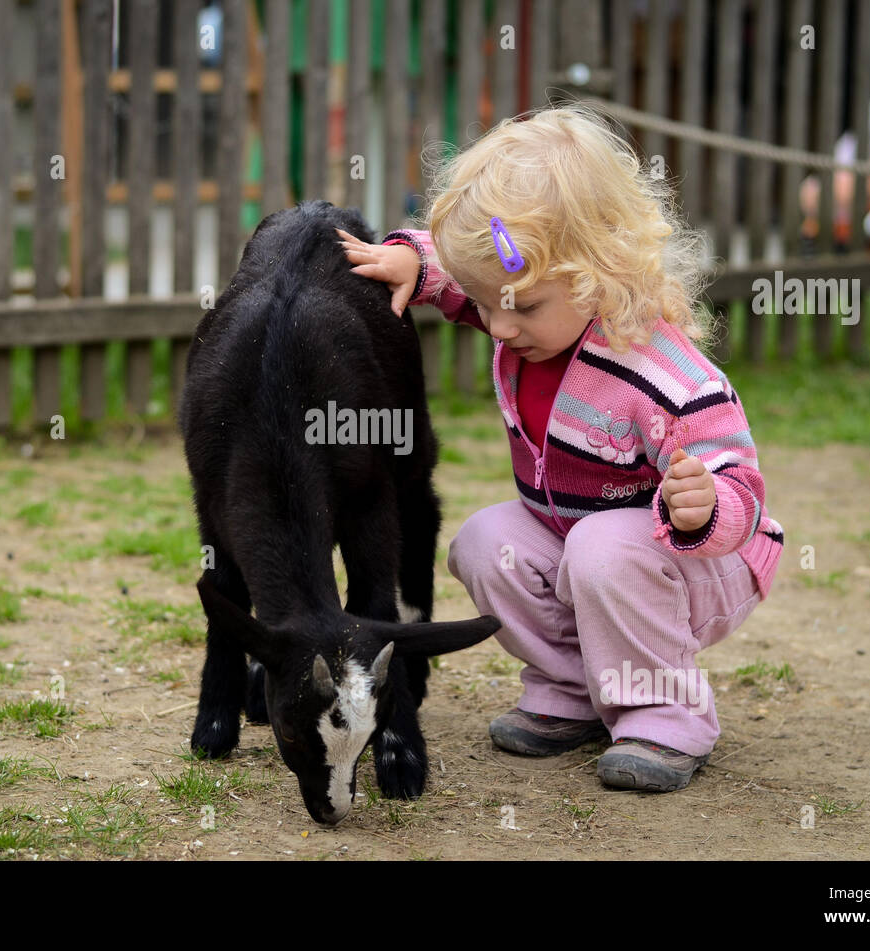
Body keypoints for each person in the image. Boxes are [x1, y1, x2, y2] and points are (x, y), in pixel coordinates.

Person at [335, 103, 784, 792]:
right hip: (578, 544)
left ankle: (666, 713)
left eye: (519, 306)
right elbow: (468, 275)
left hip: (693, 562)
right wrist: (412, 260)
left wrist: (706, 505)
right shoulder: (523, 298)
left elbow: (742, 491)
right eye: (488, 305)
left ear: (595, 274)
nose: (498, 325)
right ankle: (577, 688)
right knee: (485, 541)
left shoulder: (661, 374)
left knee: (604, 548)